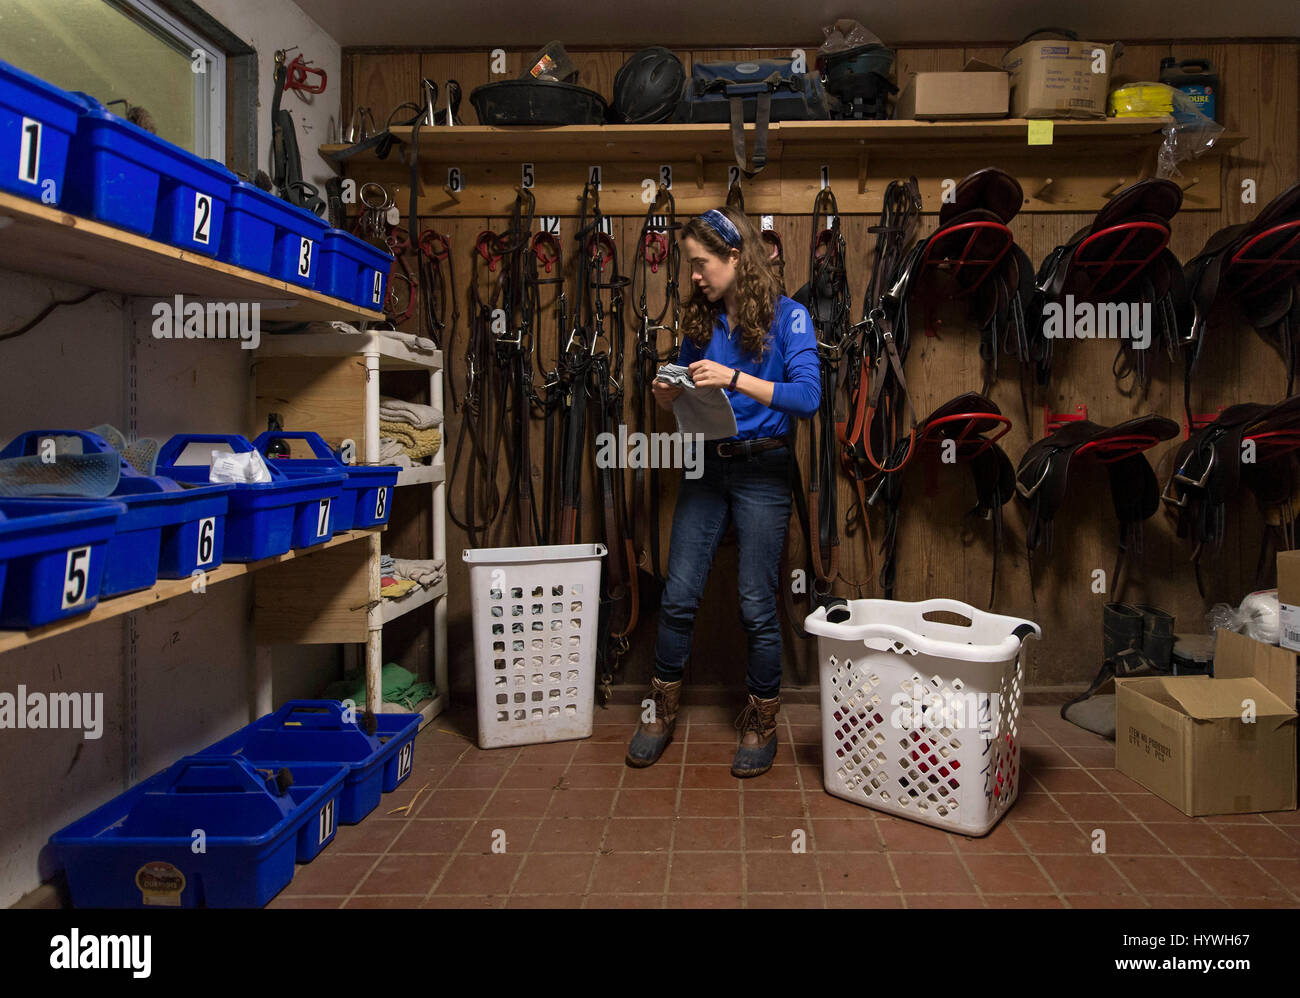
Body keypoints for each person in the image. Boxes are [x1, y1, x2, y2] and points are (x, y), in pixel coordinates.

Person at [625, 206, 820, 778]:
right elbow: (692, 395)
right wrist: (670, 394)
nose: (694, 276)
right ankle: (658, 709)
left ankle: (760, 718)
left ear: (735, 257)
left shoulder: (791, 317)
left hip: (765, 469)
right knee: (679, 593)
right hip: (708, 465)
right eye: (689, 266)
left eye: (701, 263)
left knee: (757, 604)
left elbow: (808, 398)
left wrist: (734, 377)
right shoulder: (701, 324)